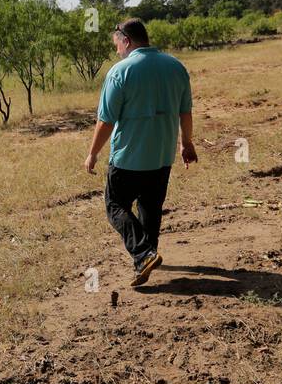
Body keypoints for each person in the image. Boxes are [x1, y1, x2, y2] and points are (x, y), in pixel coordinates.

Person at [84, 18, 197, 287]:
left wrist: (93, 153)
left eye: (117, 46)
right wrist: (186, 143)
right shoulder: (175, 67)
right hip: (161, 156)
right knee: (150, 207)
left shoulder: (120, 71)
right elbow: (185, 111)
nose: (117, 52)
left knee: (115, 205)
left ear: (126, 40)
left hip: (128, 157)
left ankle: (144, 253)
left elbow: (106, 121)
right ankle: (147, 256)